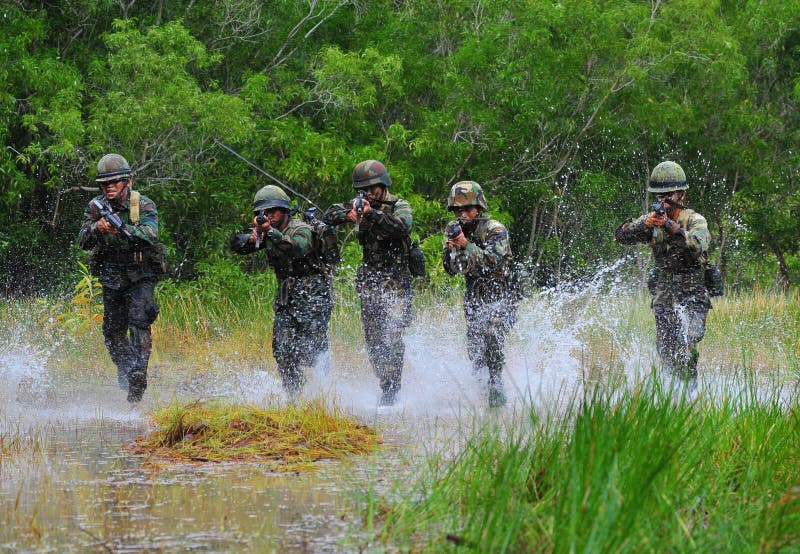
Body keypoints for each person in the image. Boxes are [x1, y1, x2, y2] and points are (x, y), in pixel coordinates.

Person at [323, 160, 413, 406]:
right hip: (370, 283)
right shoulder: (359, 204)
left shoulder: (398, 205)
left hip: (396, 284)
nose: (366, 194)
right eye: (361, 190)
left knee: (393, 336)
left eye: (371, 188)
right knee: (373, 341)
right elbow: (328, 214)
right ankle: (385, 382)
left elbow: (403, 227)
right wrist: (348, 214)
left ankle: (391, 390)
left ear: (382, 185)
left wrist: (373, 215)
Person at [614, 161, 711, 386]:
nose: (662, 202)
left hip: (692, 294)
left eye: (668, 196)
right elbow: (620, 236)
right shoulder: (652, 221)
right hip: (664, 294)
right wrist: (643, 226)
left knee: (690, 340)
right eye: (659, 197)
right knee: (667, 349)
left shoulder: (694, 220)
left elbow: (697, 245)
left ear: (681, 196)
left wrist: (670, 226)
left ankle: (690, 389)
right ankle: (672, 394)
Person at [230, 185, 333, 397]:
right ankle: (294, 396)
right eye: (263, 213)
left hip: (313, 295)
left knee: (312, 351)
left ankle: (325, 391)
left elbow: (297, 248)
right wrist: (253, 237)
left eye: (273, 211)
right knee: (283, 349)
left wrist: (271, 233)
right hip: (287, 299)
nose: (268, 216)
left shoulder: (300, 228)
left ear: (284, 210)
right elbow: (236, 245)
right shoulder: (265, 232)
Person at [78, 153, 164, 403]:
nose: (110, 187)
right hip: (112, 276)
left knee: (139, 322)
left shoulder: (143, 204)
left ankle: (139, 373)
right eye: (105, 183)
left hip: (140, 275)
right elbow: (82, 240)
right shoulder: (96, 207)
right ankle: (128, 372)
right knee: (112, 332)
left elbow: (151, 235)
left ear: (127, 181)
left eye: (115, 182)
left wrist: (123, 231)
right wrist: (98, 228)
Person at [442, 181, 518, 407]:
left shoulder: (495, 229)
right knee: (476, 351)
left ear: (478, 207)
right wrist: (453, 250)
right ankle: (484, 391)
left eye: (467, 209)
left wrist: (466, 245)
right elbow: (449, 270)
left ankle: (496, 385)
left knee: (492, 335)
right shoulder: (455, 229)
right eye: (458, 210)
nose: (462, 214)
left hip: (501, 294)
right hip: (474, 297)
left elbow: (490, 263)